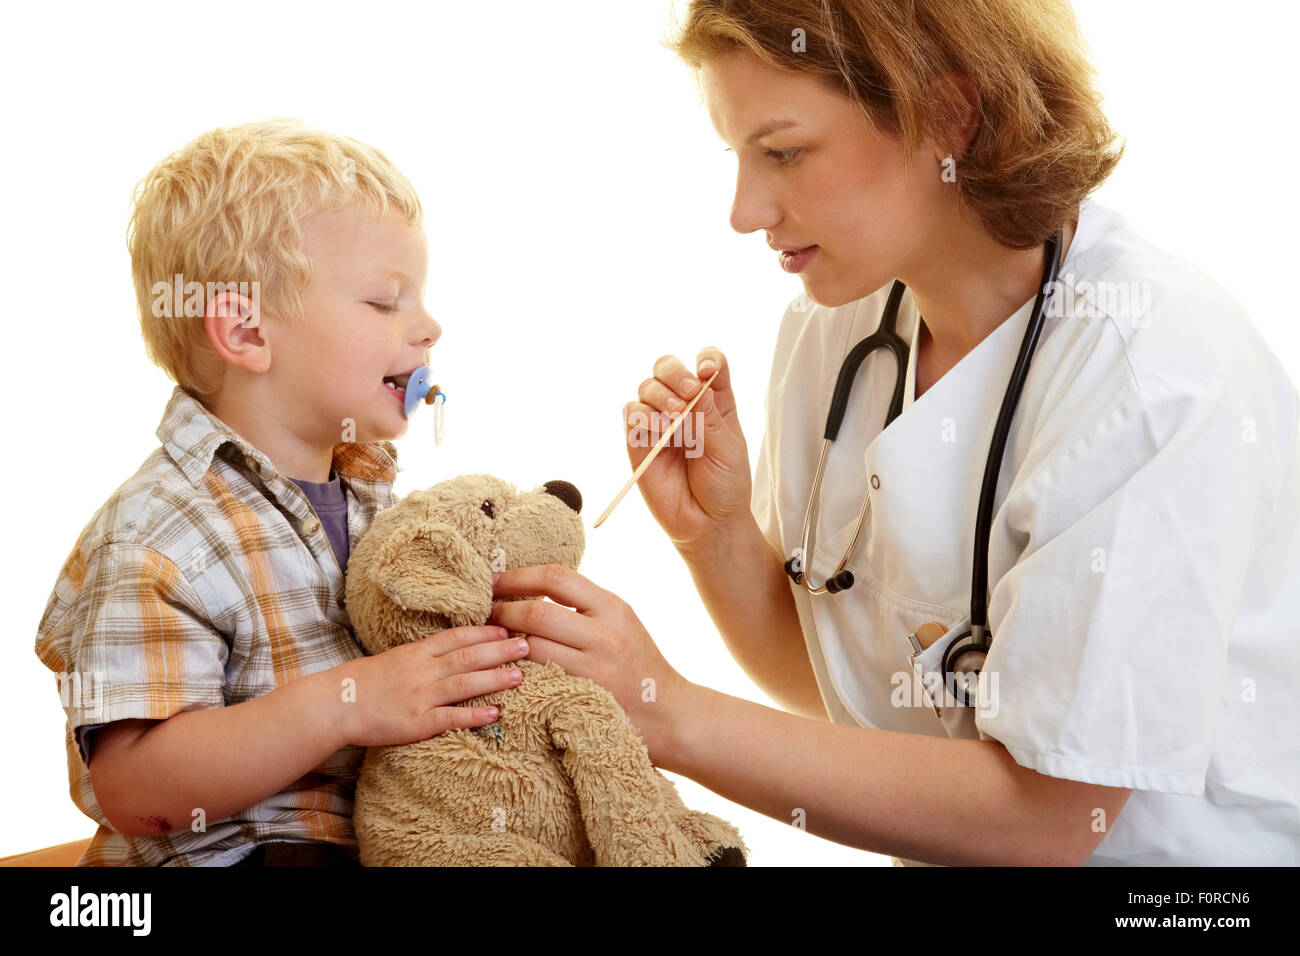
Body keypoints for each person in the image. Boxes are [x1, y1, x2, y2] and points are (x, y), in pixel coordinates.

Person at [487, 0, 1300, 865]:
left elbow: (1053, 819)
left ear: (950, 115)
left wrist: (666, 711)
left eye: (784, 152)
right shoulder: (839, 325)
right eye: (738, 157)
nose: (744, 209)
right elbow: (848, 695)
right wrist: (715, 537)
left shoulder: (1154, 369)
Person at [33, 119, 526, 865]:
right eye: (385, 301)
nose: (428, 326)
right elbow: (138, 790)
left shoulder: (370, 505)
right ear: (247, 332)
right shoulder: (157, 534)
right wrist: (350, 701)